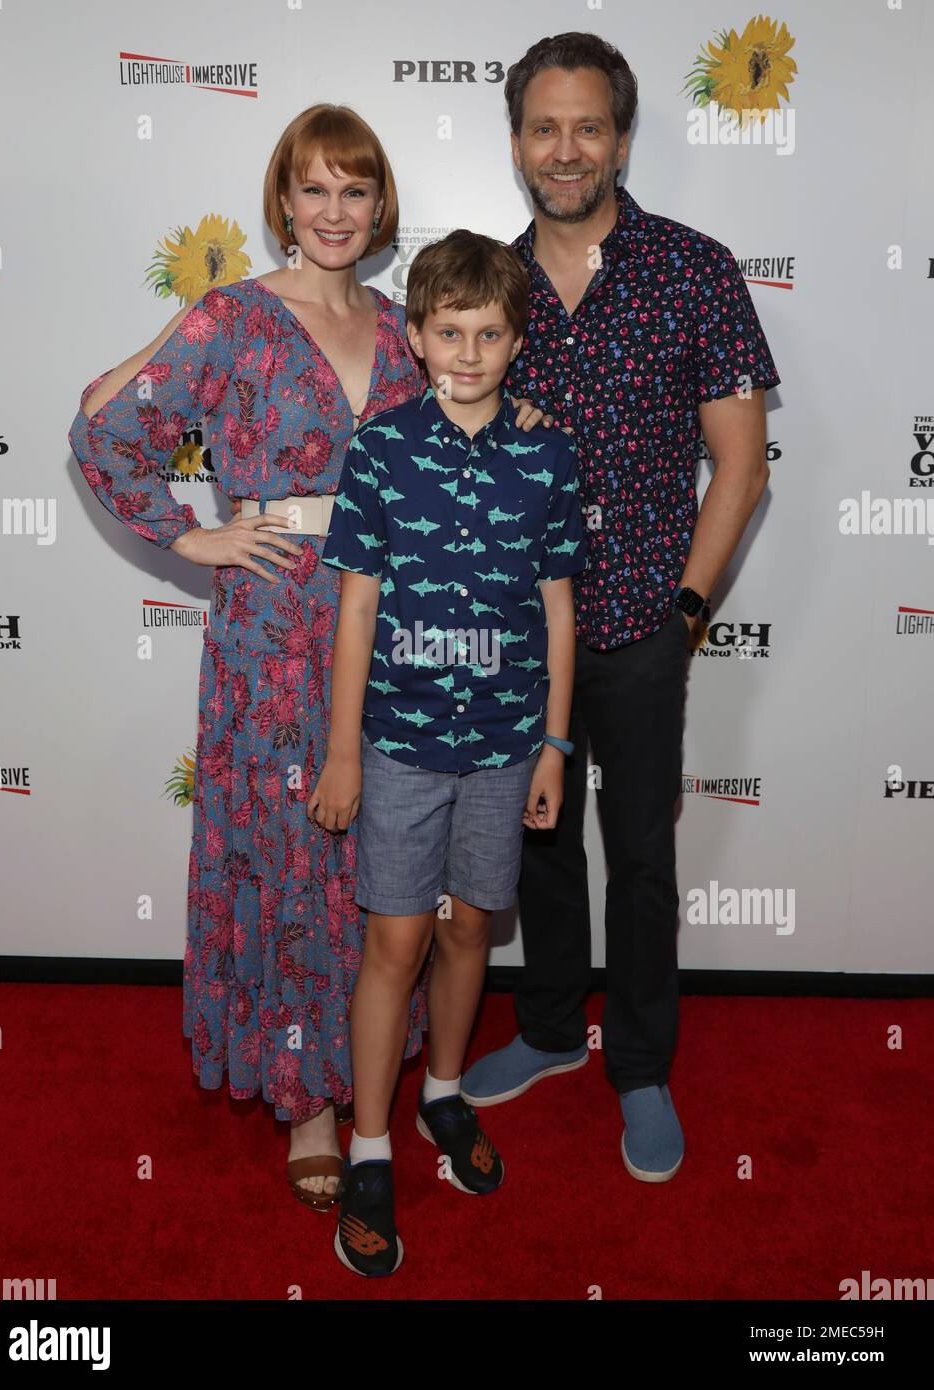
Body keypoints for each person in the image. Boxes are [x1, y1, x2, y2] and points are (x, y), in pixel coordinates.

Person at [67, 104, 435, 1211]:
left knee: (381, 852)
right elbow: (101, 427)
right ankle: (307, 1100)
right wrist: (190, 531)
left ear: (380, 209)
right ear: (283, 200)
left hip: (396, 623)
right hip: (276, 630)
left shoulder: (403, 322)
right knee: (289, 861)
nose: (334, 210)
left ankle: (370, 1062)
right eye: (314, 189)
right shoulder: (232, 318)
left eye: (355, 191)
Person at [461, 32, 782, 1183]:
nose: (566, 149)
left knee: (640, 854)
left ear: (623, 138)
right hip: (513, 628)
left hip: (650, 618)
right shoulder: (482, 290)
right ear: (514, 144)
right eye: (544, 127)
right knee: (535, 842)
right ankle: (550, 1027)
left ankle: (639, 1062)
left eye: (588, 126)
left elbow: (740, 465)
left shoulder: (697, 268)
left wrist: (686, 616)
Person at [309, 228, 587, 1275]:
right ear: (415, 337)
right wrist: (344, 750)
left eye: (489, 334)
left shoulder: (548, 454)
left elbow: (560, 613)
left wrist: (555, 748)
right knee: (394, 943)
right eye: (447, 332)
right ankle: (371, 1140)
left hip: (510, 746)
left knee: (472, 927)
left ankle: (443, 1092)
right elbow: (355, 609)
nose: (468, 352)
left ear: (517, 341)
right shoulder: (379, 450)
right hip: (398, 747)